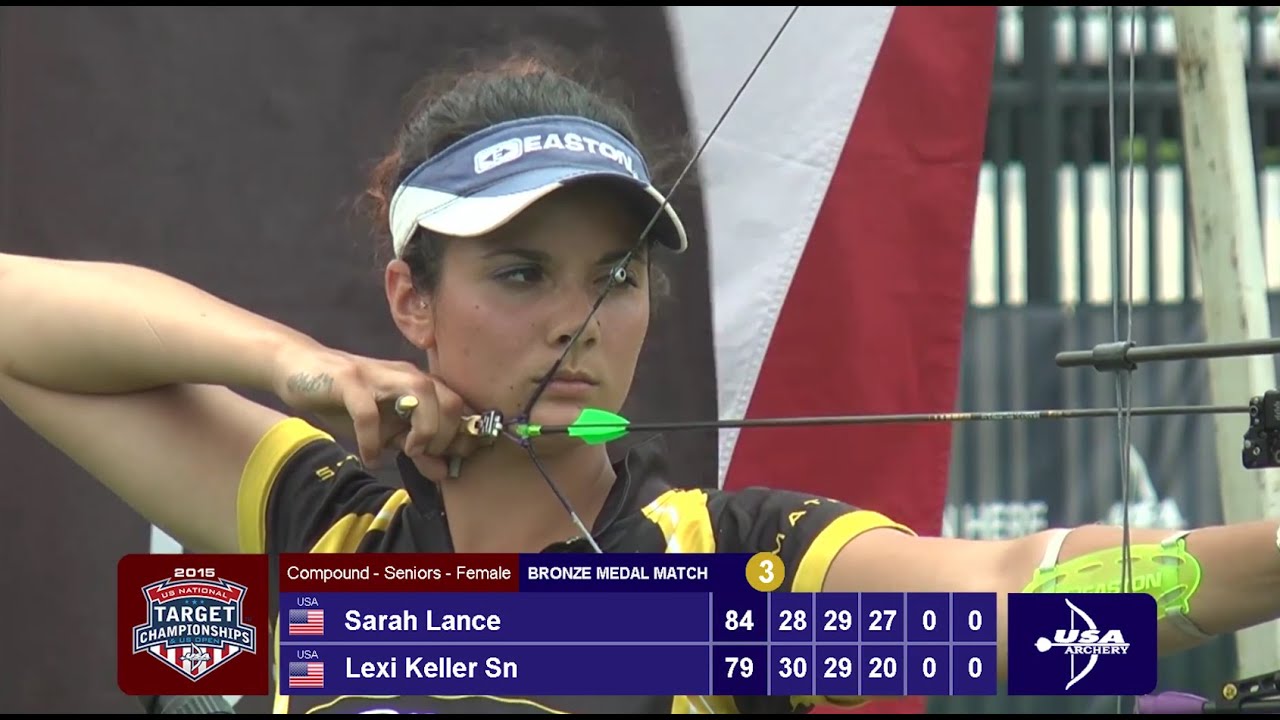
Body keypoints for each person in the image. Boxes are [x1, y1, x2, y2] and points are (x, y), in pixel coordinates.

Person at [1, 50, 1278, 716]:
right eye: (519, 273)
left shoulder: (735, 574)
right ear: (410, 304)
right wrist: (293, 367)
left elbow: (1009, 601)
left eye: (615, 274)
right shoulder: (326, 529)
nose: (579, 320)